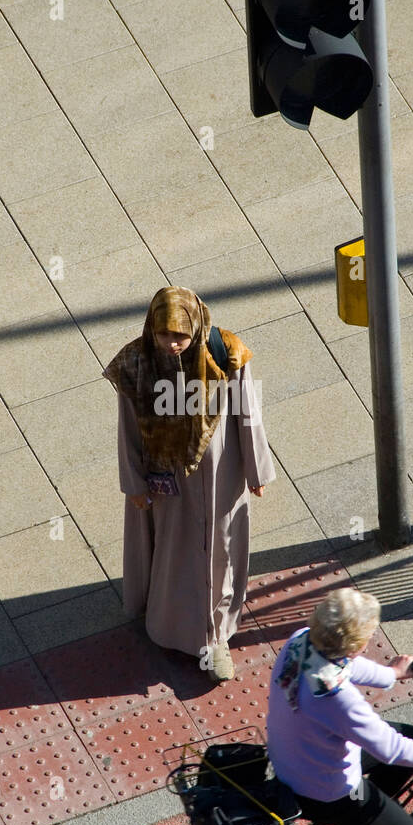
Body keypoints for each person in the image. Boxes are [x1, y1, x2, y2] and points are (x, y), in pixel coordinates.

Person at [103, 286, 276, 682]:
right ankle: (169, 625)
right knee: (172, 547)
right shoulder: (135, 363)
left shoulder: (227, 352)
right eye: (165, 335)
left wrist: (255, 470)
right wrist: (134, 483)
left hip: (222, 471)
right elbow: (128, 427)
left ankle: (215, 638)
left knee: (220, 548)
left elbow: (248, 412)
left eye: (180, 335)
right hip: (167, 478)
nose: (173, 344)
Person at [267, 588, 413, 825]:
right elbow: (391, 749)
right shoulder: (336, 699)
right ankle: (356, 823)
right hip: (322, 791)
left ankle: (362, 824)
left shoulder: (301, 640)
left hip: (289, 758)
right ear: (357, 645)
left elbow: (342, 664)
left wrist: (391, 674)